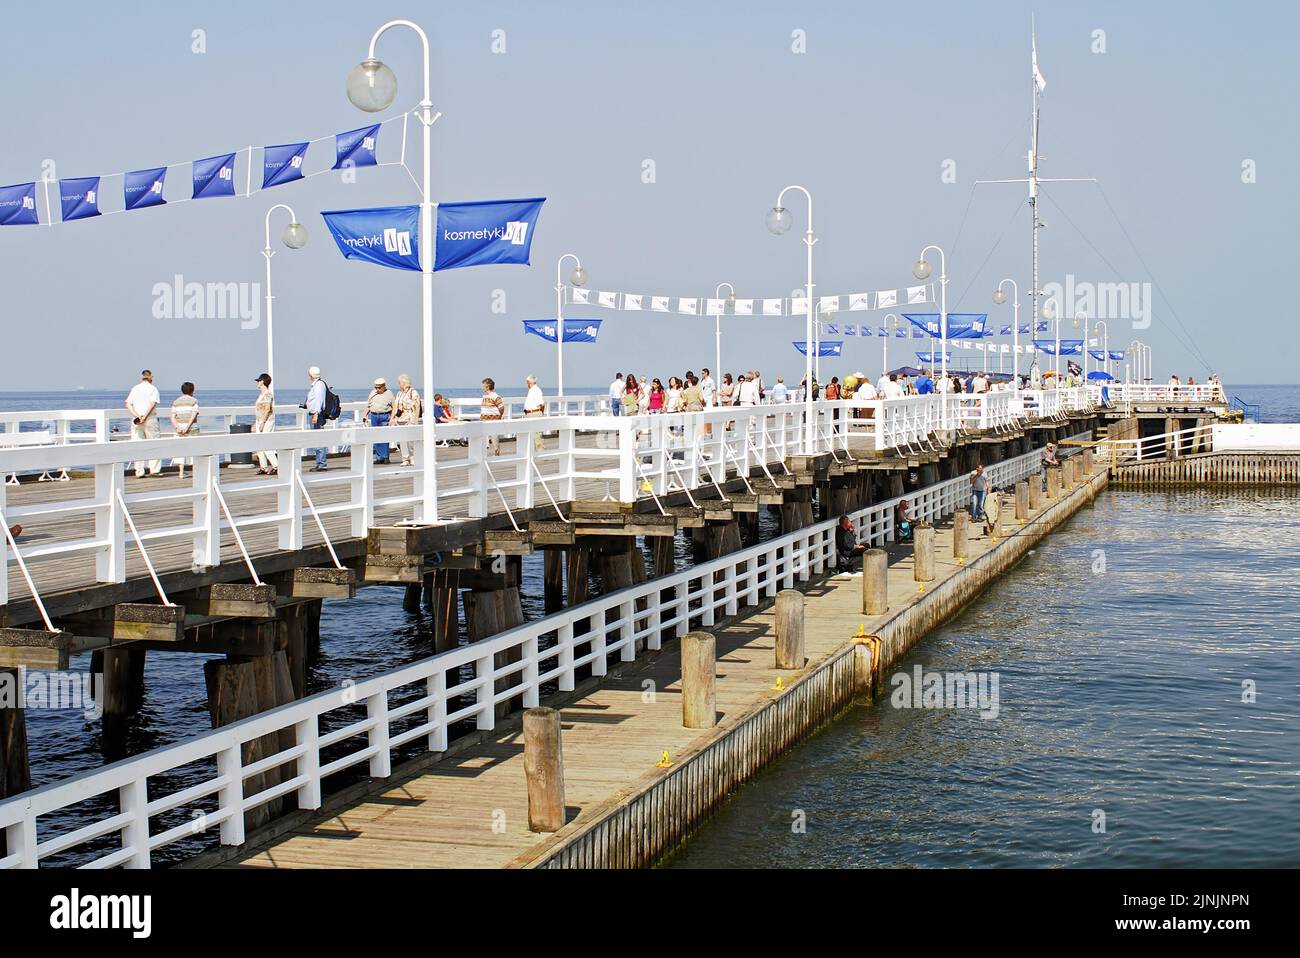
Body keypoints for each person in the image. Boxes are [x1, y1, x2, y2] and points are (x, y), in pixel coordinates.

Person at [125, 369, 162, 478]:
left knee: (137, 445)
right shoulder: (153, 389)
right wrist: (145, 416)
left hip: (137, 419)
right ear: (151, 377)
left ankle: (139, 471)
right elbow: (152, 403)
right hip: (150, 418)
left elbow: (128, 404)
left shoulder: (135, 388)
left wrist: (137, 416)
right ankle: (154, 469)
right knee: (154, 444)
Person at [169, 381, 200, 479]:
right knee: (194, 448)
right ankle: (195, 471)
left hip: (179, 427)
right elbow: (193, 415)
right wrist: (187, 427)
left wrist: (177, 427)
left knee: (179, 449)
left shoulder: (176, 402)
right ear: (192, 390)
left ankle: (181, 472)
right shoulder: (194, 401)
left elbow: (172, 416)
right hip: (191, 428)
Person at [392, 373, 421, 465]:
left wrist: (415, 419)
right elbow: (398, 407)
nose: (399, 384)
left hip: (410, 419)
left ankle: (412, 457)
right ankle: (405, 459)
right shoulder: (399, 394)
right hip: (401, 419)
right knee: (402, 440)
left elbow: (417, 407)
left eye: (399, 382)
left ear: (404, 383)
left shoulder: (413, 392)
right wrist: (394, 417)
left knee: (410, 440)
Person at [303, 366, 328, 471]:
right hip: (315, 413)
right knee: (316, 438)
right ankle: (319, 462)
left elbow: (319, 400)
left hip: (316, 414)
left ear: (311, 375)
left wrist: (316, 413)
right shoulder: (317, 384)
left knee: (318, 438)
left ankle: (321, 463)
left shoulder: (318, 385)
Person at [253, 373, 278, 475]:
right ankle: (264, 467)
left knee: (266, 444)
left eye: (259, 381)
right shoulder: (261, 395)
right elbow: (259, 410)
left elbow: (267, 409)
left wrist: (263, 422)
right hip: (260, 421)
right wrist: (256, 423)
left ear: (262, 382)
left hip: (267, 421)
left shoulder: (267, 394)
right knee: (259, 444)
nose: (258, 383)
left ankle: (276, 466)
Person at [366, 377, 394, 464]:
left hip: (384, 415)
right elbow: (369, 405)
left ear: (384, 386)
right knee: (376, 437)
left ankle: (385, 457)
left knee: (384, 436)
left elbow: (394, 406)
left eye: (379, 387)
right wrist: (365, 415)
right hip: (374, 415)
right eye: (376, 387)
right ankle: (379, 458)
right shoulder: (372, 393)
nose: (377, 389)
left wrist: (392, 418)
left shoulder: (389, 394)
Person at [480, 377, 505, 455]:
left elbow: (501, 407)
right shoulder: (484, 397)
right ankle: (484, 455)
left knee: (494, 438)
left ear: (487, 387)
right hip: (484, 421)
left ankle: (497, 454)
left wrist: (499, 417)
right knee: (484, 438)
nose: (482, 387)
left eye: (483, 386)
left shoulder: (495, 396)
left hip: (493, 420)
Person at [523, 374, 546, 451]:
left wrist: (540, 414)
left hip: (535, 413)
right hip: (530, 414)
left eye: (528, 382)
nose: (527, 384)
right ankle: (533, 453)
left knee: (537, 435)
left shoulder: (537, 390)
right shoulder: (532, 390)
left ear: (531, 382)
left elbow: (542, 404)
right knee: (532, 435)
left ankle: (541, 453)